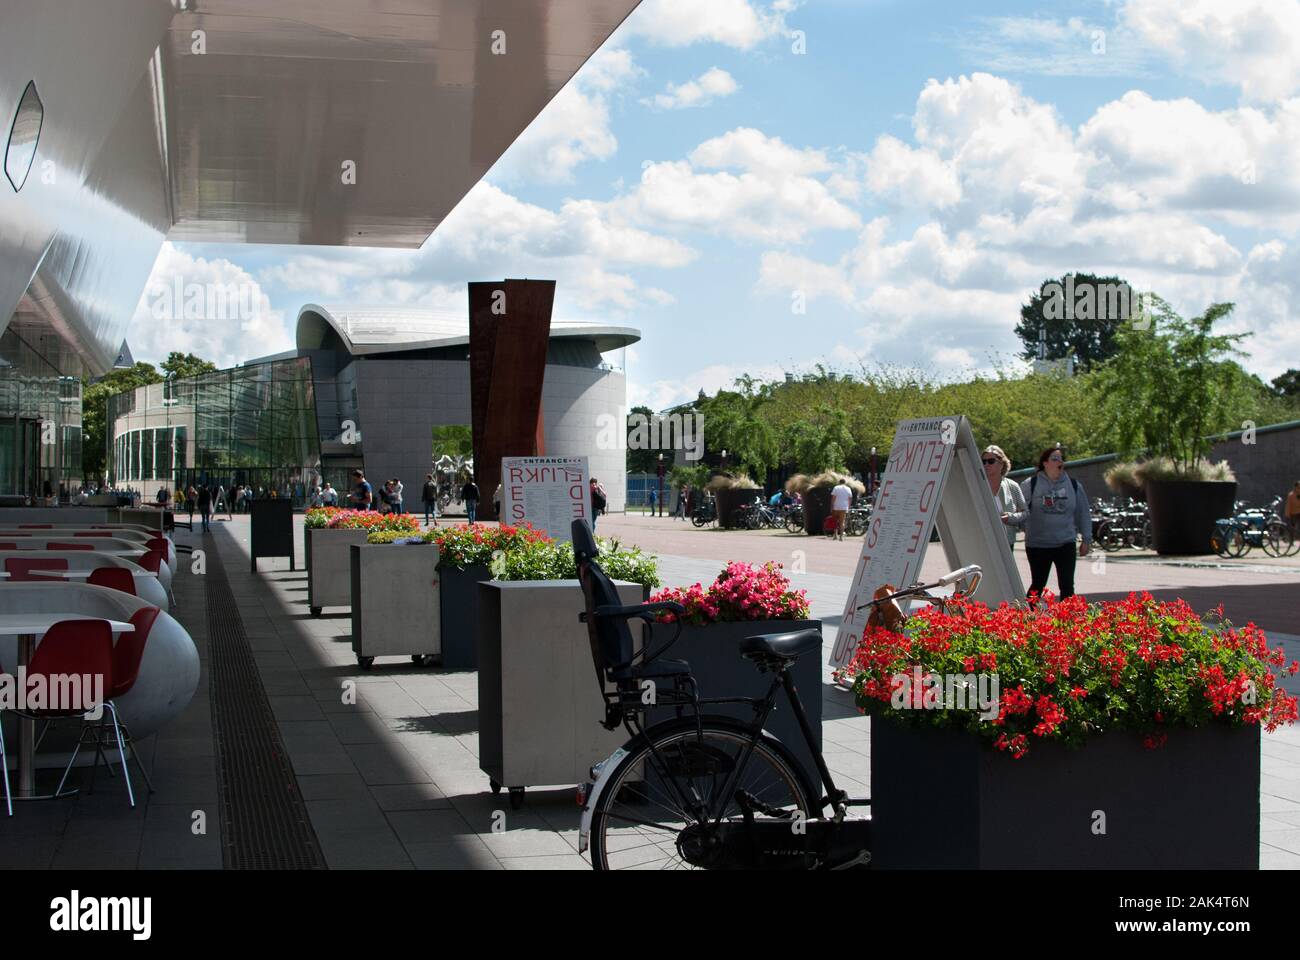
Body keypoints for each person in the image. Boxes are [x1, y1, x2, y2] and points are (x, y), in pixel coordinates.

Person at [1021, 447, 1091, 603]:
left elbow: (1083, 513)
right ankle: (1026, 619)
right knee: (1037, 584)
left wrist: (1087, 539)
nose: (1059, 462)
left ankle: (1067, 621)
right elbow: (1019, 510)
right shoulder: (1030, 484)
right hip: (1038, 545)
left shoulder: (1073, 485)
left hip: (1065, 543)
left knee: (1067, 586)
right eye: (1054, 459)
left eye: (1061, 459)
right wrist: (1019, 526)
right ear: (1045, 463)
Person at [982, 445, 1028, 550]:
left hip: (1006, 540)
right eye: (983, 461)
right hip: (983, 540)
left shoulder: (1012, 486)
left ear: (1001, 464)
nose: (986, 465)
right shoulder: (977, 485)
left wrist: (1010, 518)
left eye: (991, 461)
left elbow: (1025, 512)